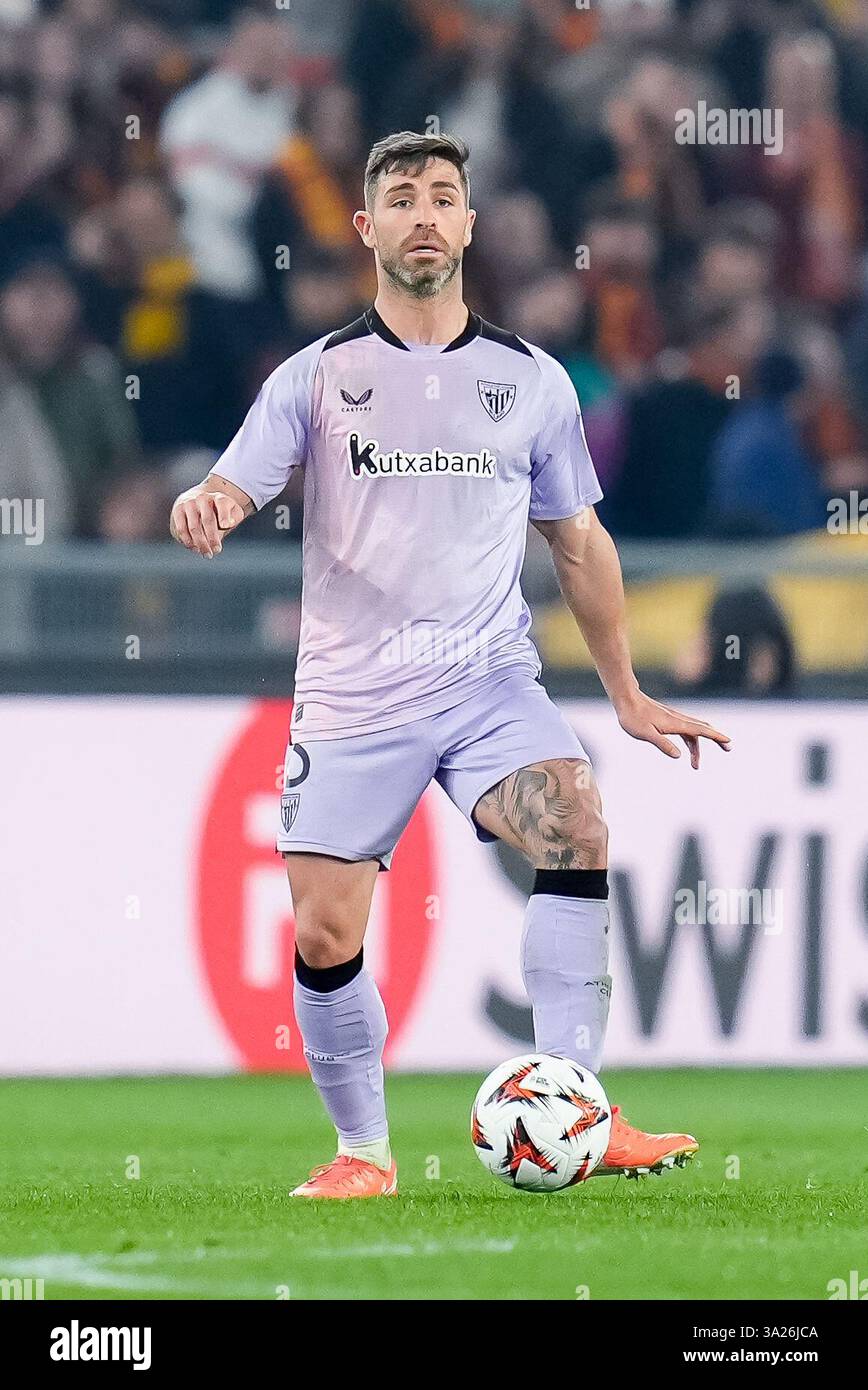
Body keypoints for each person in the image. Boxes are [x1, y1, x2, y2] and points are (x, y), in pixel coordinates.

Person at [170, 132, 731, 1199]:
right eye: (401, 198)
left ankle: (581, 1105)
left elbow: (578, 541)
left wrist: (624, 692)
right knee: (327, 929)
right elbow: (231, 484)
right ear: (365, 227)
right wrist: (206, 506)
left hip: (486, 687)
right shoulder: (318, 376)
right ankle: (363, 1153)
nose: (424, 215)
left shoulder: (529, 382)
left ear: (469, 225)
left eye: (443, 197)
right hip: (353, 699)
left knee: (575, 820)